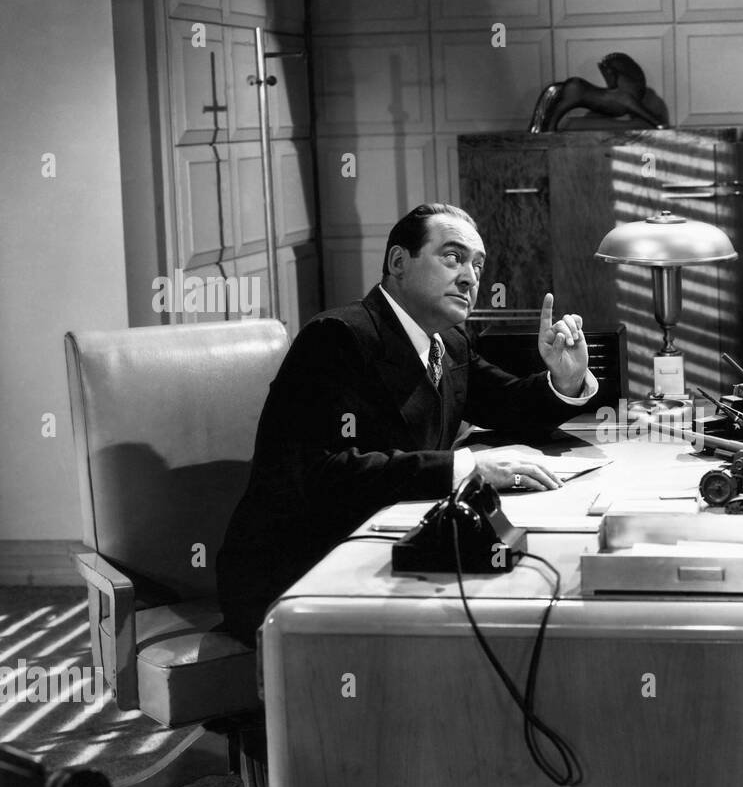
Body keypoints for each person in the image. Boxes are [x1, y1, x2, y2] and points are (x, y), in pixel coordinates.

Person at [216, 202, 600, 646]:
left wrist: (564, 378)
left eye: (477, 265)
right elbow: (322, 474)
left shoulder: (449, 340)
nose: (470, 278)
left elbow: (510, 406)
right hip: (297, 568)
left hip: (394, 546)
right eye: (452, 258)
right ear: (399, 262)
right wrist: (465, 468)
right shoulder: (336, 338)